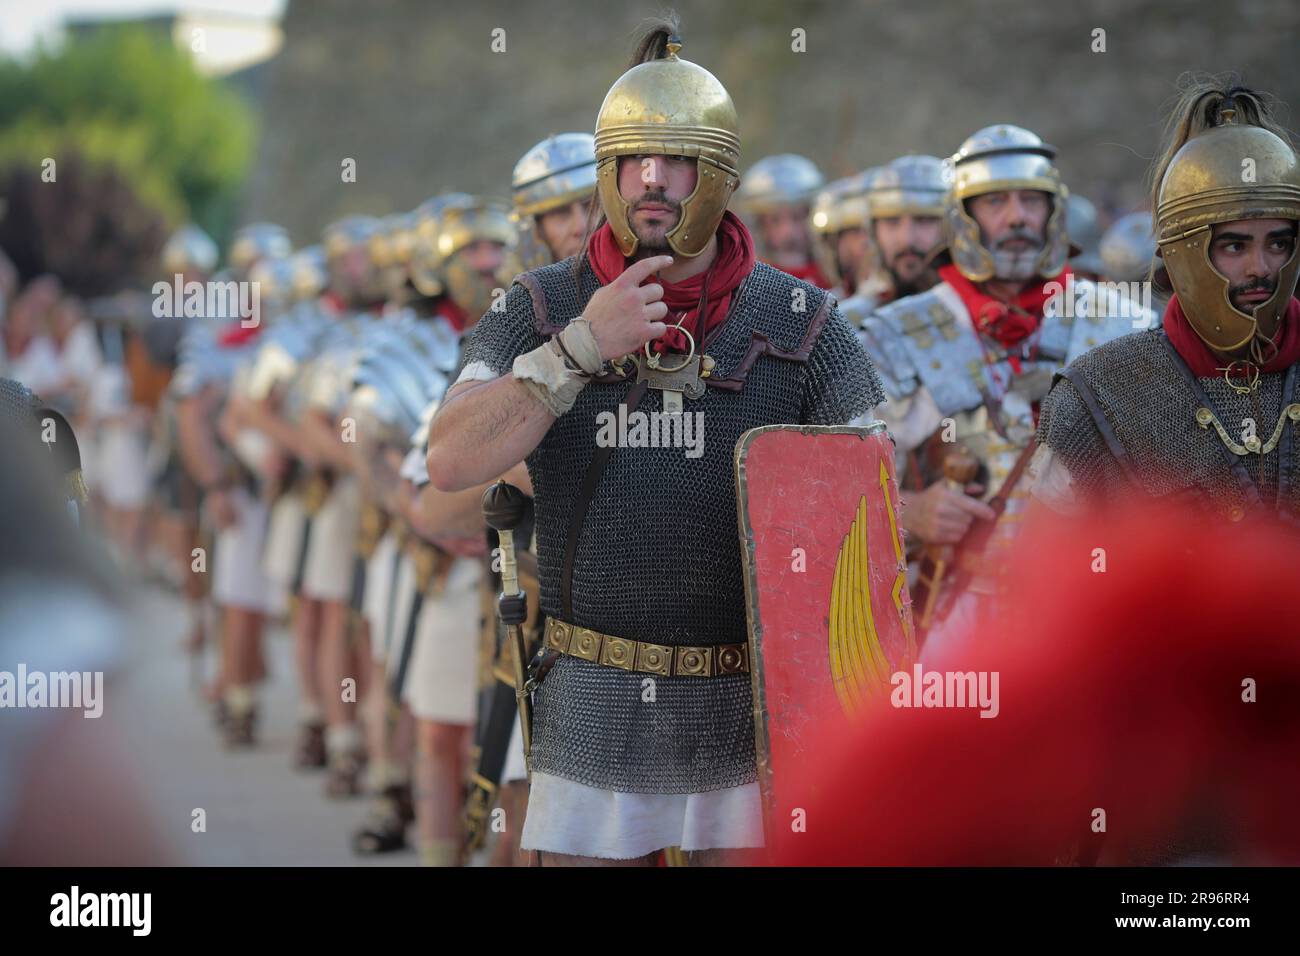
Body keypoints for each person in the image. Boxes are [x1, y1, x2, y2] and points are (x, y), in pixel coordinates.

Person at [426, 19, 881, 865]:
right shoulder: (540, 302)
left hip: (749, 715)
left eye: (676, 158)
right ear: (608, 170)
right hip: (593, 700)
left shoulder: (803, 322)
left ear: (717, 171)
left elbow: (866, 528)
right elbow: (449, 459)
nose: (652, 181)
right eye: (634, 159)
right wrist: (576, 350)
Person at [858, 125, 1152, 655]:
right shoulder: (895, 334)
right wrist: (910, 513)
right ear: (964, 217)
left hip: (1095, 615)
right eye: (995, 202)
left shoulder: (1121, 324)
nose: (1016, 217)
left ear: (1053, 211)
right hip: (956, 614)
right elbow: (841, 491)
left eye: (1030, 202)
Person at [1033, 80, 1300, 524]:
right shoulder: (1100, 392)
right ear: (1182, 254)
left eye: (1278, 244)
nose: (1261, 267)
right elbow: (1048, 571)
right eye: (1234, 247)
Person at [735, 153, 829, 288]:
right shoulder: (747, 283)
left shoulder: (835, 276)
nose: (788, 232)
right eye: (774, 221)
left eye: (798, 217)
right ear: (759, 226)